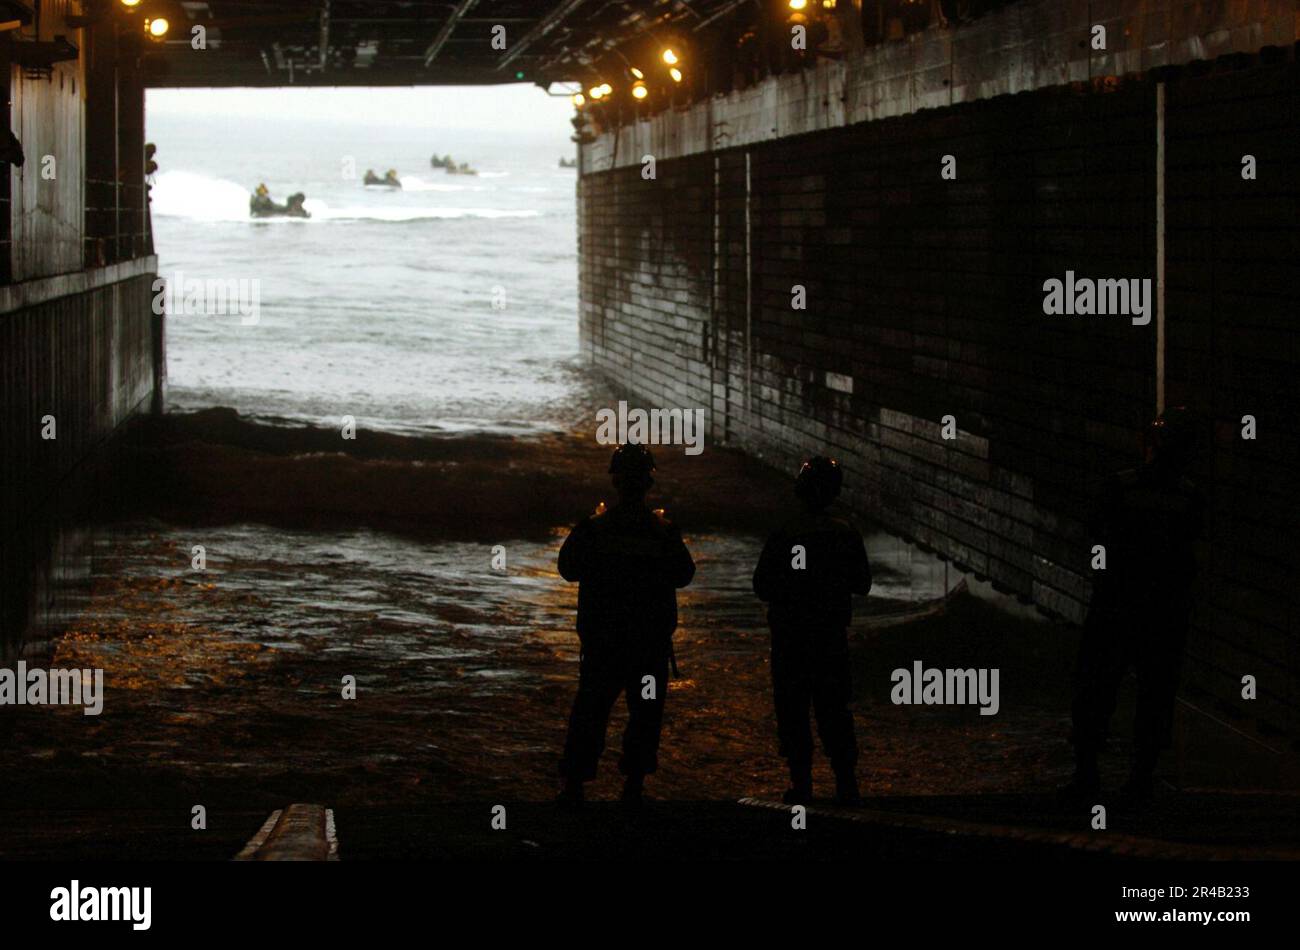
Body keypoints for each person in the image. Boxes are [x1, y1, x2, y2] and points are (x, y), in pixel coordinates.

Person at [1065, 407, 1205, 805]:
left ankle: (1087, 776)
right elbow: (1191, 556)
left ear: (1149, 445)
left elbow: (1096, 537)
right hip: (1163, 612)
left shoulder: (1119, 487)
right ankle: (1140, 780)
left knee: (1096, 687)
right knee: (1154, 694)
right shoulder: (1192, 497)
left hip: (1117, 605)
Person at [556, 444, 695, 807]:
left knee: (590, 712)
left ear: (615, 481)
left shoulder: (594, 529)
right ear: (648, 482)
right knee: (645, 714)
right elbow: (684, 575)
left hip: (604, 644)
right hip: (648, 648)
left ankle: (574, 788)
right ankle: (633, 788)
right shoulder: (663, 532)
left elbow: (568, 569)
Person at [753, 456, 871, 805]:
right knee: (834, 709)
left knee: (793, 709)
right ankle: (846, 785)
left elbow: (762, 586)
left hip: (790, 638)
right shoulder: (846, 533)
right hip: (830, 637)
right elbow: (862, 584)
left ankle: (801, 786)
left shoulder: (784, 533)